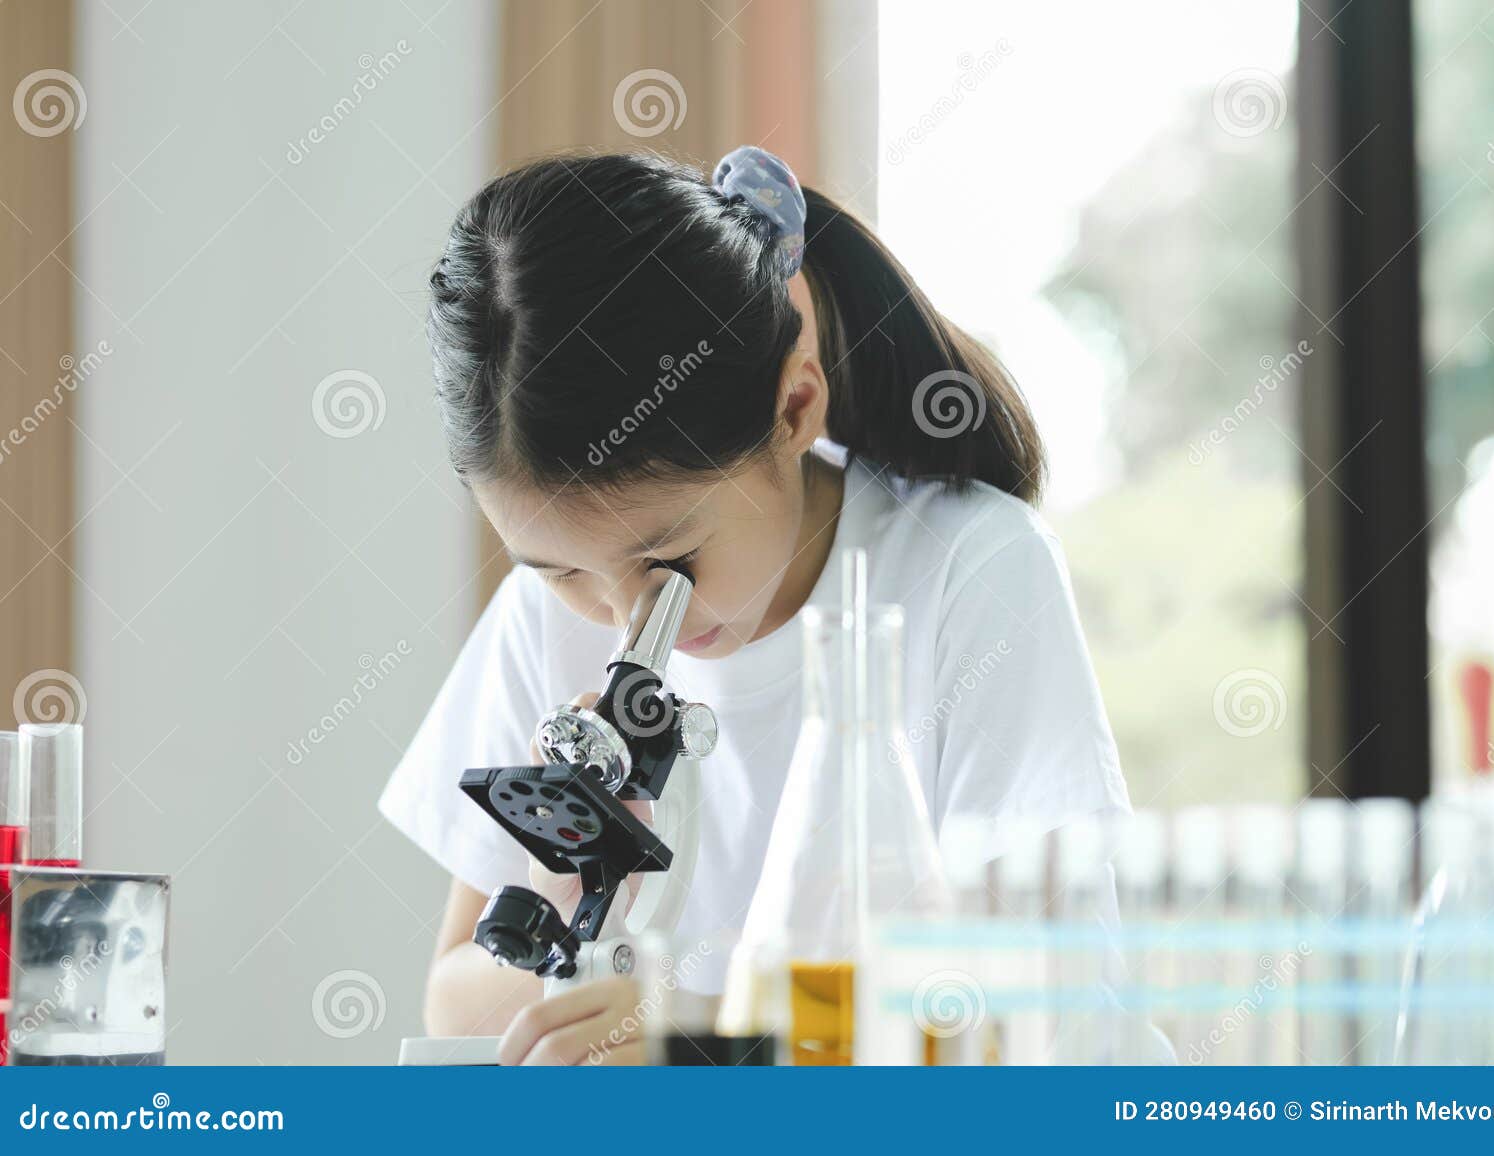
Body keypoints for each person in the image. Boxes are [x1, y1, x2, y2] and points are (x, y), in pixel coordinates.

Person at [379, 145, 1129, 1065]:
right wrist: (581, 916)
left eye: (670, 557)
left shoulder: (968, 574)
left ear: (794, 408)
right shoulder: (547, 615)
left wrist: (699, 1036)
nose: (623, 619)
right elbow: (454, 995)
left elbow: (1047, 1010)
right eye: (558, 569)